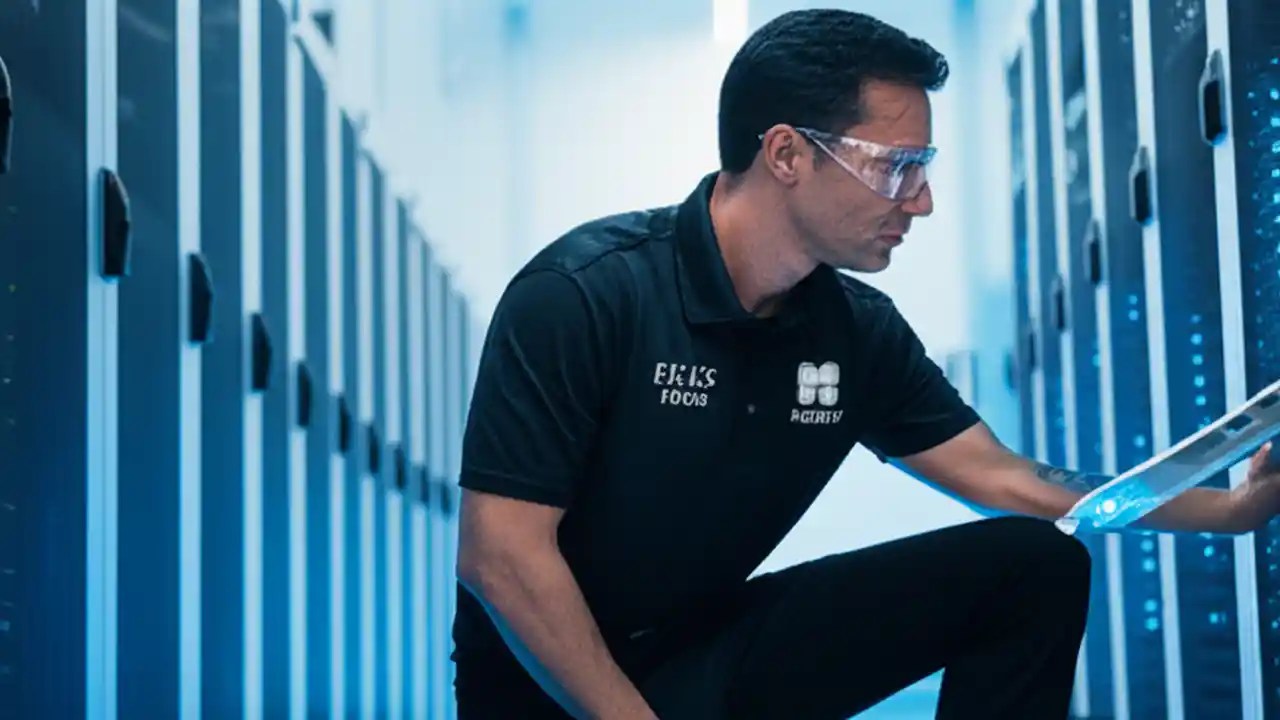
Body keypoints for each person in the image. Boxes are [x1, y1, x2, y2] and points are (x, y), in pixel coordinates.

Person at [449, 9, 1280, 720]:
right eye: (896, 166)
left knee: (1034, 566)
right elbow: (501, 553)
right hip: (544, 687)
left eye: (923, 167)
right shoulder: (586, 294)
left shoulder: (851, 330)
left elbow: (1006, 479)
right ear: (785, 155)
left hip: (706, 651)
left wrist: (1229, 509)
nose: (919, 199)